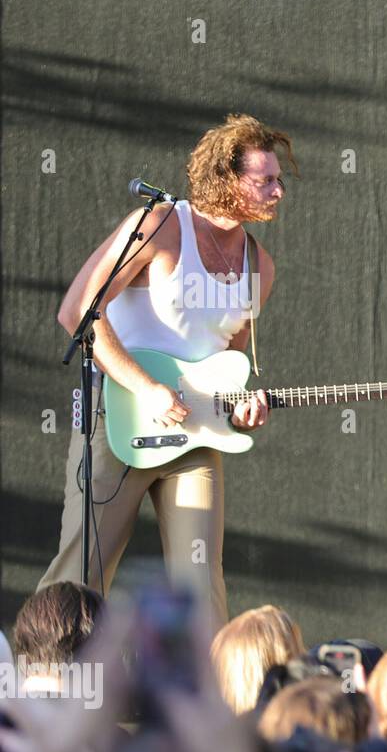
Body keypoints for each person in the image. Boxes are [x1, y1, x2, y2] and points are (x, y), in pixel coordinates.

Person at [39, 113, 296, 630]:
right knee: (79, 578)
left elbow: (231, 367)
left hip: (197, 437)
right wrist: (147, 388)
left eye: (279, 180)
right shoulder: (158, 225)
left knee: (202, 588)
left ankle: (208, 684)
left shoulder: (259, 266)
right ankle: (41, 674)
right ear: (227, 179)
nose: (278, 191)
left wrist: (241, 411)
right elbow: (79, 313)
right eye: (265, 179)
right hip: (119, 420)